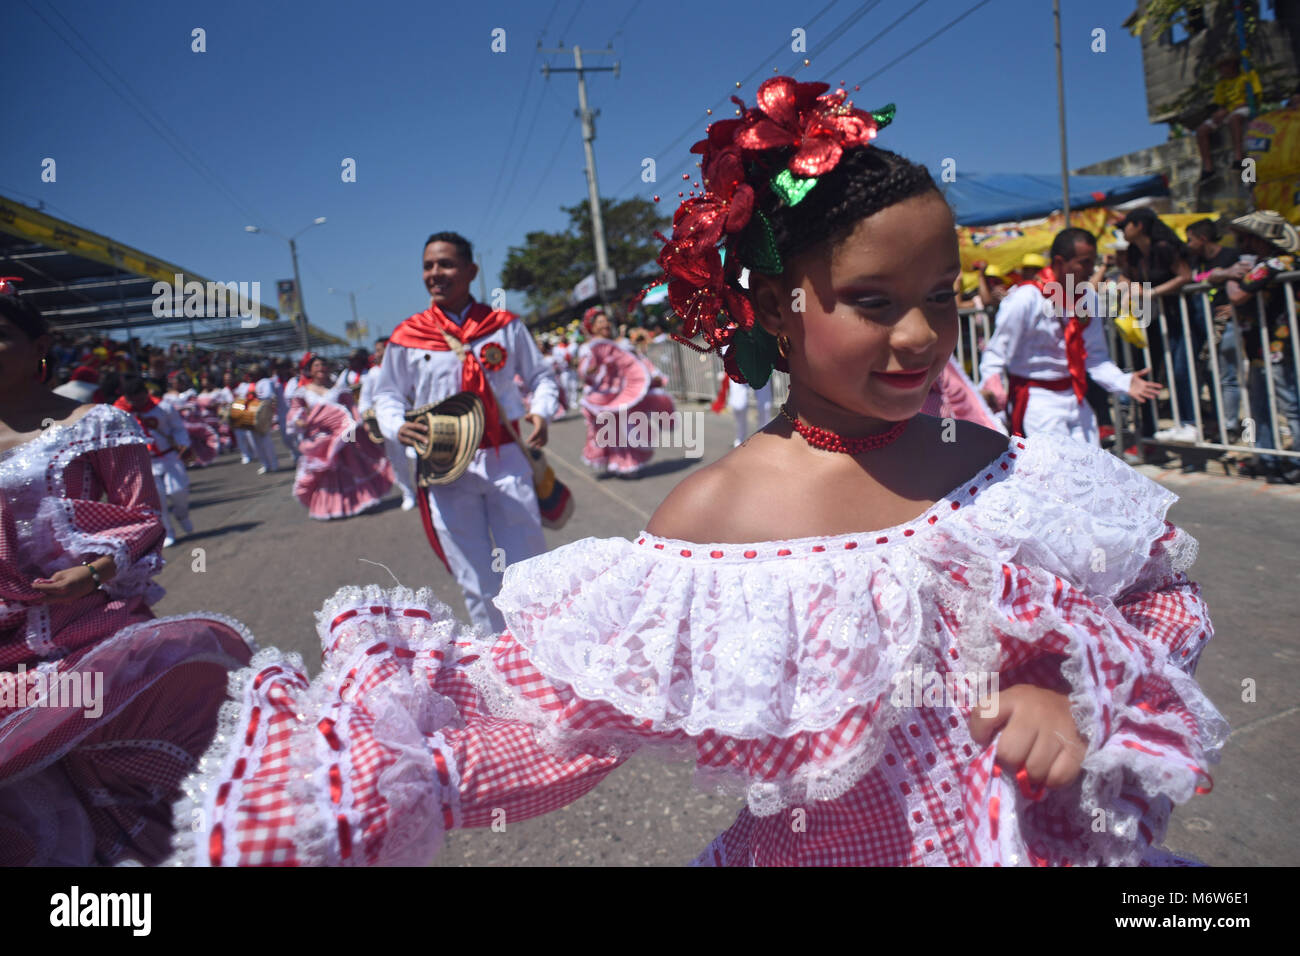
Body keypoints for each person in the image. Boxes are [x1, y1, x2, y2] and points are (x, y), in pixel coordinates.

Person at [170, 78, 1225, 868]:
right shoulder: (717, 512)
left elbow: (1147, 597)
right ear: (773, 308)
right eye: (871, 299)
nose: (918, 336)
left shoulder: (977, 451)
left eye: (943, 296)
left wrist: (1056, 676)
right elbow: (563, 724)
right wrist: (372, 785)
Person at [0, 290, 254, 865]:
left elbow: (143, 522)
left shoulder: (95, 425)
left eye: (1, 335)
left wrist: (90, 574)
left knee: (150, 795)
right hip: (6, 657)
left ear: (38, 346)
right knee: (31, 808)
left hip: (95, 639)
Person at [371, 231, 559, 635]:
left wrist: (541, 412)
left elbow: (542, 376)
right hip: (444, 468)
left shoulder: (503, 327)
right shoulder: (407, 336)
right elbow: (386, 395)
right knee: (477, 582)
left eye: (446, 264)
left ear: (471, 271)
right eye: (428, 266)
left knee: (528, 571)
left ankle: (541, 659)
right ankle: (499, 665)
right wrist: (397, 425)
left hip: (506, 458)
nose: (435, 274)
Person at [978, 228, 1162, 443]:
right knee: (1056, 469)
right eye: (1084, 262)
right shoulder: (1026, 297)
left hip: (1075, 396)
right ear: (1059, 262)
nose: (1090, 269)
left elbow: (1095, 357)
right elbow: (997, 353)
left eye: (1093, 262)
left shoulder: (1088, 298)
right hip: (1037, 400)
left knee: (1090, 463)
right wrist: (993, 390)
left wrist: (1122, 381)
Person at [1223, 211, 1300, 483]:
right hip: (1259, 348)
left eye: (1246, 238)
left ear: (1261, 241)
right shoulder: (1265, 263)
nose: (1242, 244)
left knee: (1291, 406)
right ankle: (1269, 459)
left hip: (1278, 346)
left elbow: (1238, 294)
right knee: (1260, 407)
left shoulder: (1279, 262)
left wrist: (1229, 277)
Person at [1118, 208, 1194, 459]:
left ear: (1138, 225)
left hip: (1176, 317)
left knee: (1180, 372)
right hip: (1148, 321)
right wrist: (1125, 286)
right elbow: (1125, 277)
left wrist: (1152, 293)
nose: (1123, 230)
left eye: (1125, 225)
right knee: (1147, 374)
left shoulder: (1164, 246)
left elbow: (1185, 276)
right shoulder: (1133, 252)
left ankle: (1188, 424)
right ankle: (1149, 435)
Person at [287, 354, 394, 519]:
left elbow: (352, 409)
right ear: (310, 371)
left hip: (345, 435)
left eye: (323, 365)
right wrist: (300, 421)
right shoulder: (303, 392)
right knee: (327, 471)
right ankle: (332, 507)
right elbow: (295, 412)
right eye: (316, 366)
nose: (321, 368)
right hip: (320, 439)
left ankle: (360, 502)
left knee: (353, 464)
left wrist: (358, 430)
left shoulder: (338, 388)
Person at [578, 306, 676, 476]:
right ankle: (616, 462)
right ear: (591, 327)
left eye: (607, 321)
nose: (605, 325)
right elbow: (584, 372)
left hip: (626, 395)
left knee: (628, 429)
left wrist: (654, 375)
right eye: (600, 322)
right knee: (609, 431)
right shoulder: (589, 348)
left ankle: (627, 463)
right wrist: (591, 370)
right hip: (604, 397)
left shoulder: (622, 344)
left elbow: (638, 362)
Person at [113, 374, 195, 547]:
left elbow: (178, 428)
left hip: (169, 456)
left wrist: (182, 444)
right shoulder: (122, 414)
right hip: (144, 462)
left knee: (179, 490)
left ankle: (182, 514)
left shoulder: (163, 407)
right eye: (134, 399)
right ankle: (167, 532)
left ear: (146, 393)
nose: (139, 402)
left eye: (141, 397)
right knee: (158, 501)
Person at [1186, 218, 1247, 443]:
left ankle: (1230, 426)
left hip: (1226, 325)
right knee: (1207, 373)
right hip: (1203, 324)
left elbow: (1243, 282)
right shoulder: (1196, 260)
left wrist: (1234, 308)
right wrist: (1218, 274)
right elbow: (1193, 279)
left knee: (1227, 376)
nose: (1188, 244)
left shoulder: (1231, 255)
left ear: (1203, 238)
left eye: (1190, 239)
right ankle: (1217, 421)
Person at [358, 336, 416, 510]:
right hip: (388, 422)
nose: (375, 354)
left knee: (417, 456)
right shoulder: (373, 375)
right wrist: (368, 418)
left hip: (413, 418)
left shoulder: (408, 368)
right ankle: (408, 492)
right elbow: (365, 402)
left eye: (378, 350)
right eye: (375, 351)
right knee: (398, 461)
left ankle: (424, 490)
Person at [1196, 55, 1263, 184]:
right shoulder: (1221, 84)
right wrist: (1219, 113)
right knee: (1201, 130)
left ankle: (1238, 157)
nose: (1221, 70)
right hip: (1228, 112)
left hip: (1243, 110)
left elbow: (1254, 98)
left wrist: (1232, 108)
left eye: (1223, 66)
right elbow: (1220, 104)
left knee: (1234, 118)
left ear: (1232, 65)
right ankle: (1208, 168)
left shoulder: (1248, 76)